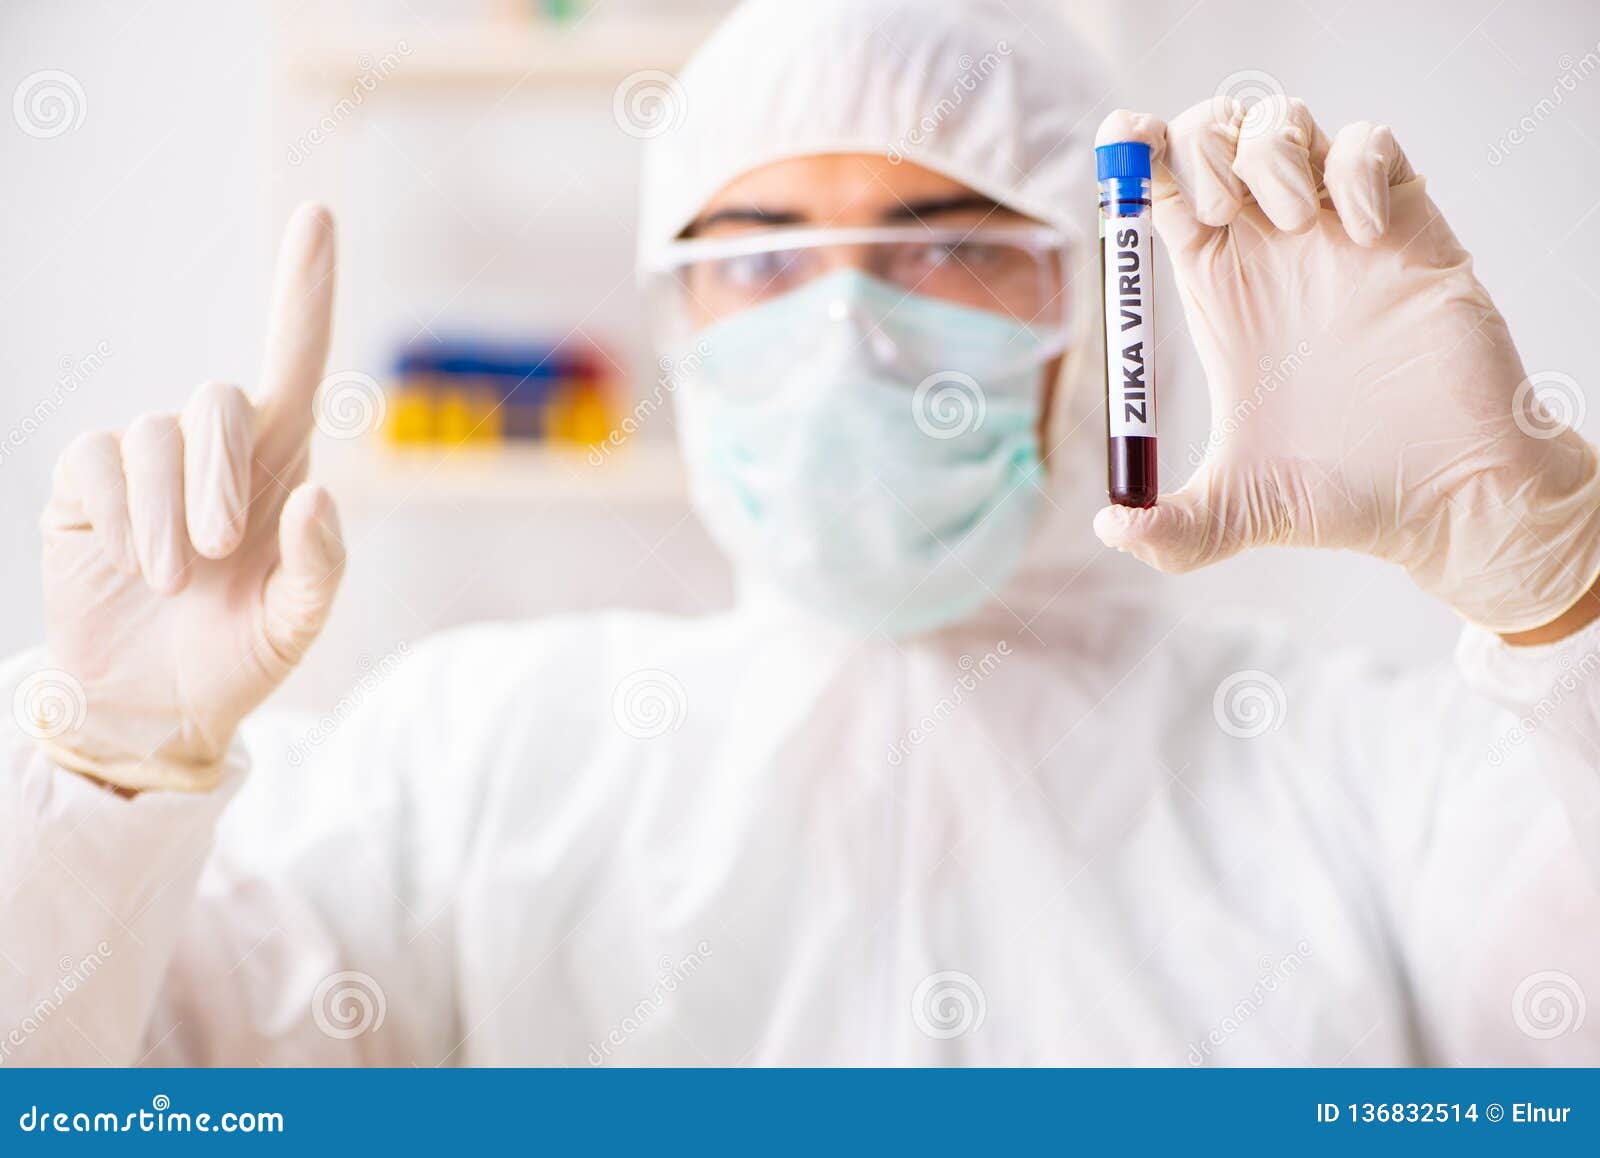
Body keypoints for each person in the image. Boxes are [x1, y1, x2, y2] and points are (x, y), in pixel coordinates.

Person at [2, 0, 1598, 1066]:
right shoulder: (476, 761)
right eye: (758, 257)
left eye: (947, 244)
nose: (843, 328)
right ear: (677, 317)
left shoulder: (1360, 773)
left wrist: (1563, 601)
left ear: (1107, 296)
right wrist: (108, 782)